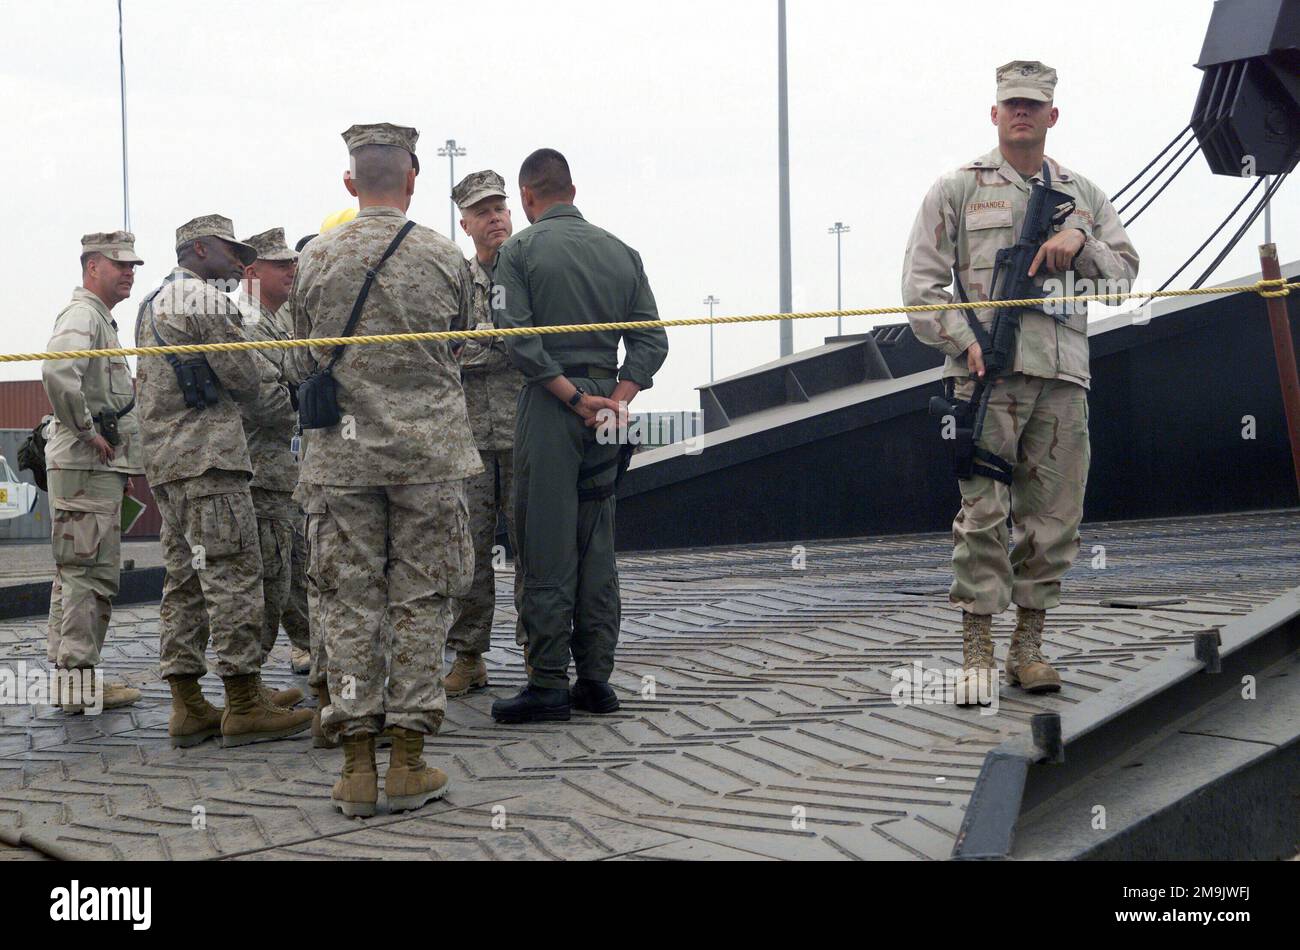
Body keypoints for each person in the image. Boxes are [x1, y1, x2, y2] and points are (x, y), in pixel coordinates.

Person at [901, 61, 1139, 703]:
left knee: (1054, 519)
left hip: (1062, 378)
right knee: (983, 515)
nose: (1022, 114)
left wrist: (1077, 238)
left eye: (1034, 104)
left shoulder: (1081, 194)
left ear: (1052, 115)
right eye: (1012, 104)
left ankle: (1027, 649)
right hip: (986, 379)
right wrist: (968, 342)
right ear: (995, 113)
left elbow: (1122, 280)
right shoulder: (958, 189)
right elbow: (921, 292)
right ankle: (977, 649)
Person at [286, 123, 482, 816]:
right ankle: (409, 762)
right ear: (413, 178)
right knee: (422, 601)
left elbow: (301, 355)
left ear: (349, 182)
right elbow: (468, 345)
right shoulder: (444, 257)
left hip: (340, 463)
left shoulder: (314, 259)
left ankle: (357, 769)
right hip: (428, 459)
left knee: (345, 605)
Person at [491, 148, 669, 724]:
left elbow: (515, 338)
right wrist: (616, 399)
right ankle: (596, 680)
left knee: (544, 543)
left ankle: (546, 683)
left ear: (527, 197)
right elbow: (652, 342)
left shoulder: (517, 251)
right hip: (609, 409)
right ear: (572, 189)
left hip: (552, 406)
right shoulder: (622, 252)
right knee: (598, 543)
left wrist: (571, 398)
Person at [136, 214, 312, 746]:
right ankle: (243, 701)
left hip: (169, 465)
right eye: (229, 251)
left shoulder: (154, 302)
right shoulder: (206, 301)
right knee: (235, 575)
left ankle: (188, 705)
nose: (240, 261)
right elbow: (246, 379)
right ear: (198, 249)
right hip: (211, 462)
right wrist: (286, 384)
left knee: (186, 581)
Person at [41, 231, 147, 712]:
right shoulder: (84, 314)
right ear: (91, 267)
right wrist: (87, 431)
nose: (128, 272)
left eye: (132, 265)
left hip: (88, 465)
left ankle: (71, 678)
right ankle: (78, 682)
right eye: (119, 264)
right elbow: (58, 371)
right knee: (92, 574)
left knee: (74, 572)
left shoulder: (98, 318)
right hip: (86, 462)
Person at [444, 170, 525, 698]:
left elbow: (528, 347)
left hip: (526, 433)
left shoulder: (530, 270)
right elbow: (445, 351)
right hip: (469, 441)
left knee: (535, 550)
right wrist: (495, 342)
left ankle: (539, 652)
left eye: (500, 207)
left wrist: (481, 344)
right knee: (467, 555)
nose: (495, 217)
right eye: (483, 211)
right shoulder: (452, 278)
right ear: (465, 223)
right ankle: (468, 656)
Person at [235, 227, 311, 677]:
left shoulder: (279, 319)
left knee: (293, 568)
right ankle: (246, 685)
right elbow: (266, 399)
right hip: (260, 471)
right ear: (250, 272)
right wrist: (307, 403)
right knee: (268, 577)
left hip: (282, 470)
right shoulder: (248, 322)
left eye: (291, 262)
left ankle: (308, 647)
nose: (291, 269)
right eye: (280, 264)